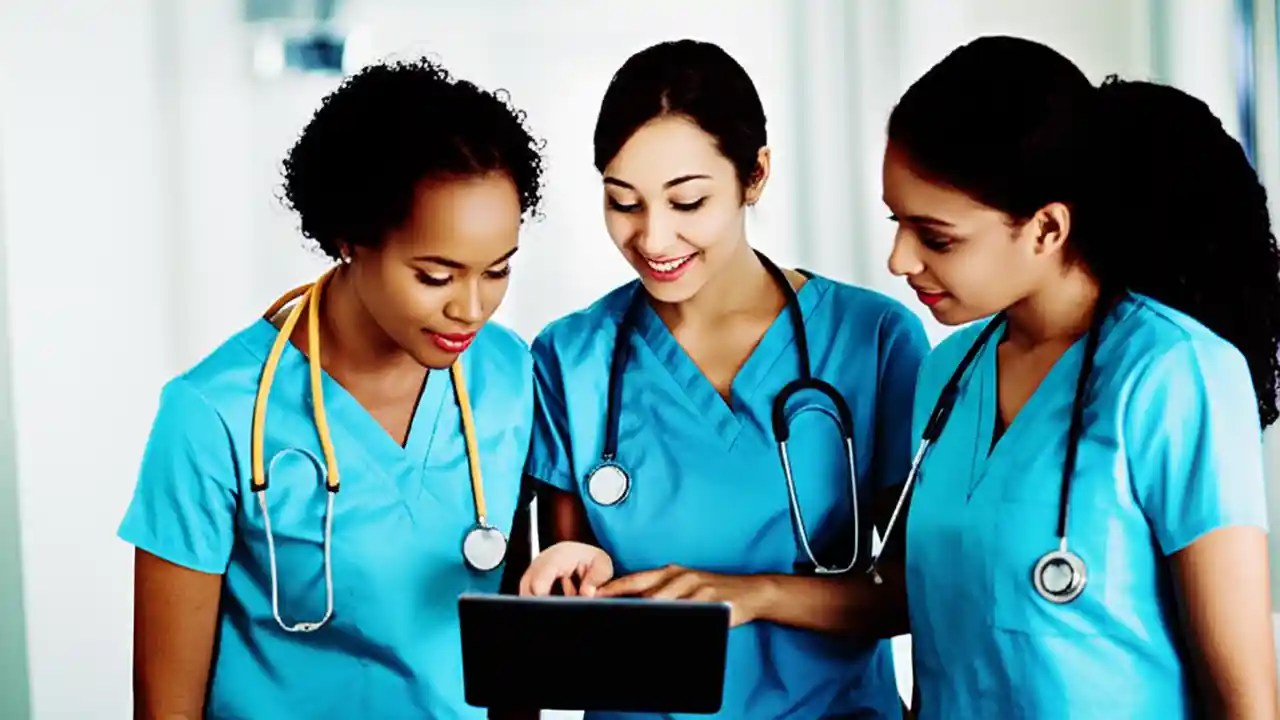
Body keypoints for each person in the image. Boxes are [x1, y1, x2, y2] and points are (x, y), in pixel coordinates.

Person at [118, 57, 546, 719]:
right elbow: (163, 705)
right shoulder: (213, 415)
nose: (472, 308)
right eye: (435, 275)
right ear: (350, 238)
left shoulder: (509, 376)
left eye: (496, 271)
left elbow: (512, 655)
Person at [518, 39, 930, 719]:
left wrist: (758, 593)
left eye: (687, 202)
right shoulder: (572, 356)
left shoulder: (873, 340)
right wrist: (569, 576)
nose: (652, 239)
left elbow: (911, 592)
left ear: (755, 175)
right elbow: (574, 573)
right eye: (624, 202)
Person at [881, 35, 1280, 718]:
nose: (898, 260)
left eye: (935, 237)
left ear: (1046, 229)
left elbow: (1245, 699)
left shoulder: (1176, 372)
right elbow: (947, 647)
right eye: (897, 223)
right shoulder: (947, 373)